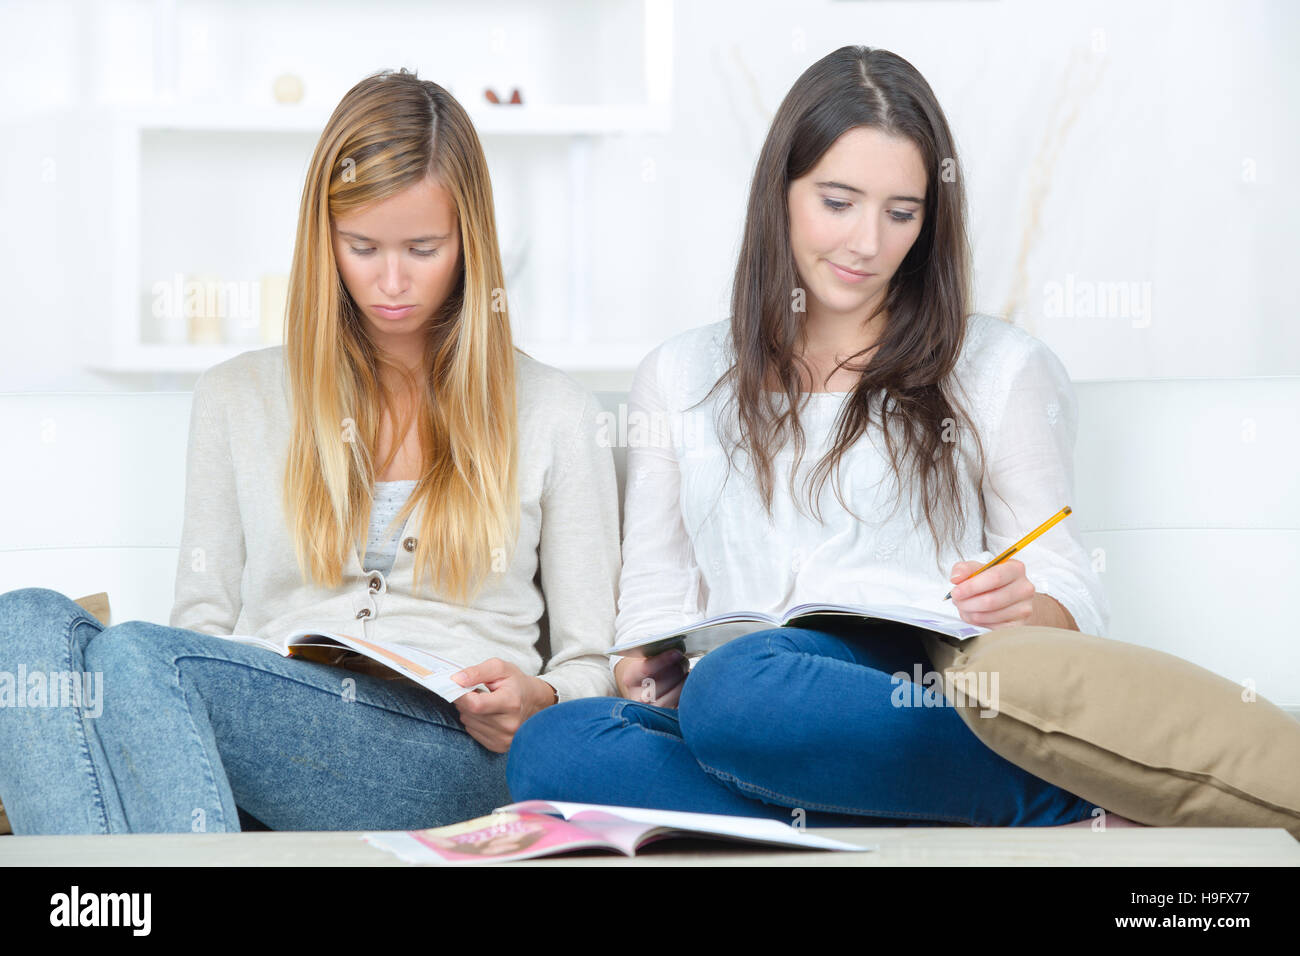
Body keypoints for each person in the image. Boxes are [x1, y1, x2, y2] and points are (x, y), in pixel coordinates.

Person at [0, 68, 620, 834]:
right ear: (323, 238)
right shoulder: (236, 396)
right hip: (270, 726)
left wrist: (543, 697)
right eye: (362, 246)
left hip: (454, 754)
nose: (392, 282)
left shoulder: (558, 412)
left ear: (470, 244)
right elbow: (203, 626)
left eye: (423, 248)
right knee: (19, 628)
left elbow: (599, 663)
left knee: (134, 657)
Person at [506, 46, 1112, 828]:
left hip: (899, 686)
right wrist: (641, 670)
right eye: (838, 202)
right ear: (781, 194)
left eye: (901, 213)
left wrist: (1028, 606)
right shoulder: (682, 374)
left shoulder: (998, 366)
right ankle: (873, 821)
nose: (868, 242)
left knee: (742, 690)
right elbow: (656, 596)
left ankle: (1048, 796)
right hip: (743, 707)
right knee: (554, 747)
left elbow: (1075, 588)